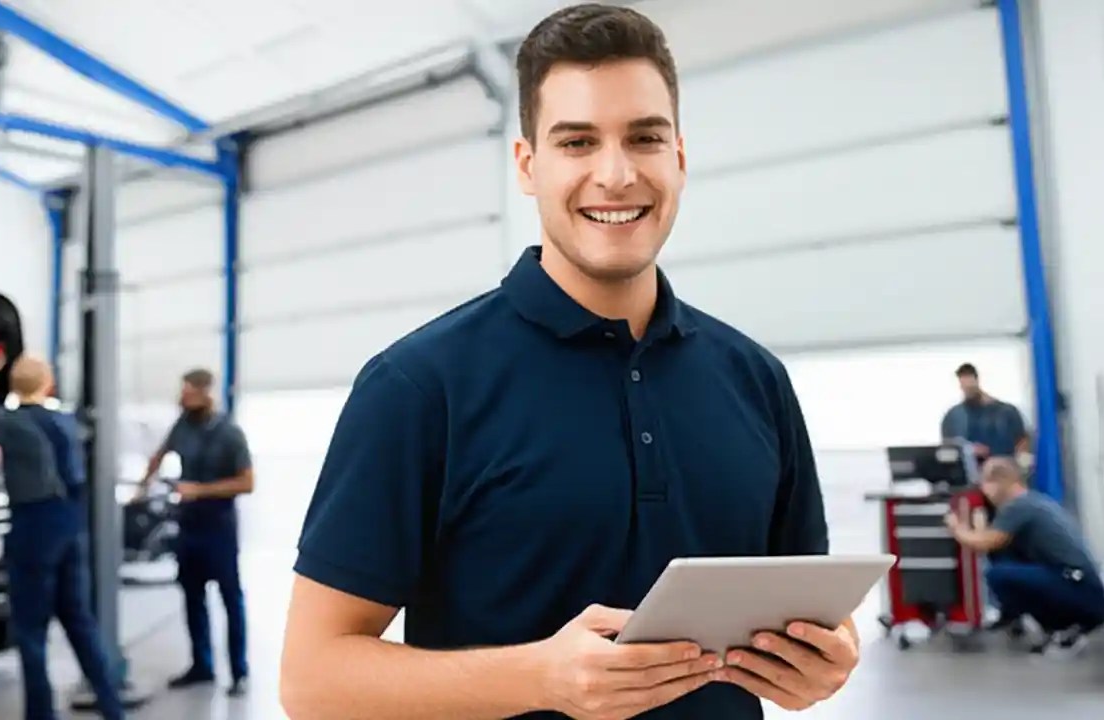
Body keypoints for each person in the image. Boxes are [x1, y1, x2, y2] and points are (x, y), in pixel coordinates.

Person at [279, 5, 859, 719]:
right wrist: (540, 679)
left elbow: (807, 610)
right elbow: (312, 681)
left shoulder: (755, 379)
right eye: (577, 142)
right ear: (529, 166)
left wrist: (821, 661)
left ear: (678, 156)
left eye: (644, 138)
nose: (615, 175)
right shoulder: (419, 386)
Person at [0, 350, 124, 720]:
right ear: (50, 384)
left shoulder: (12, 423)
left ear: (15, 386)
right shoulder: (68, 423)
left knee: (31, 632)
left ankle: (41, 716)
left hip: (33, 529)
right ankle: (113, 709)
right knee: (80, 621)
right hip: (70, 530)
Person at [135, 368, 254, 697]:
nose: (182, 396)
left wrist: (199, 490)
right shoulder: (182, 424)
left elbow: (247, 482)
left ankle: (239, 671)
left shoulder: (230, 433)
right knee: (192, 596)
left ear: (205, 392)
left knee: (230, 598)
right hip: (189, 525)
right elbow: (159, 455)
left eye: (188, 390)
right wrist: (142, 487)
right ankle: (202, 666)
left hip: (219, 527)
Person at [945, 456, 1104, 655]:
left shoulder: (1019, 506)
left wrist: (956, 528)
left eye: (985, 484)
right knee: (1002, 557)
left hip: (1083, 592)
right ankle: (1026, 620)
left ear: (999, 482)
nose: (984, 491)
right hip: (1083, 587)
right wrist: (980, 524)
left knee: (998, 576)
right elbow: (992, 545)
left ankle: (1063, 628)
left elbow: (985, 543)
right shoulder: (1033, 501)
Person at [941, 363, 1029, 460]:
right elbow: (948, 450)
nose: (968, 388)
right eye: (964, 385)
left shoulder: (1007, 412)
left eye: (970, 384)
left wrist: (1019, 466)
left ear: (977, 380)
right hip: (968, 470)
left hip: (1002, 469)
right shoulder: (953, 417)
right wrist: (970, 450)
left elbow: (1022, 443)